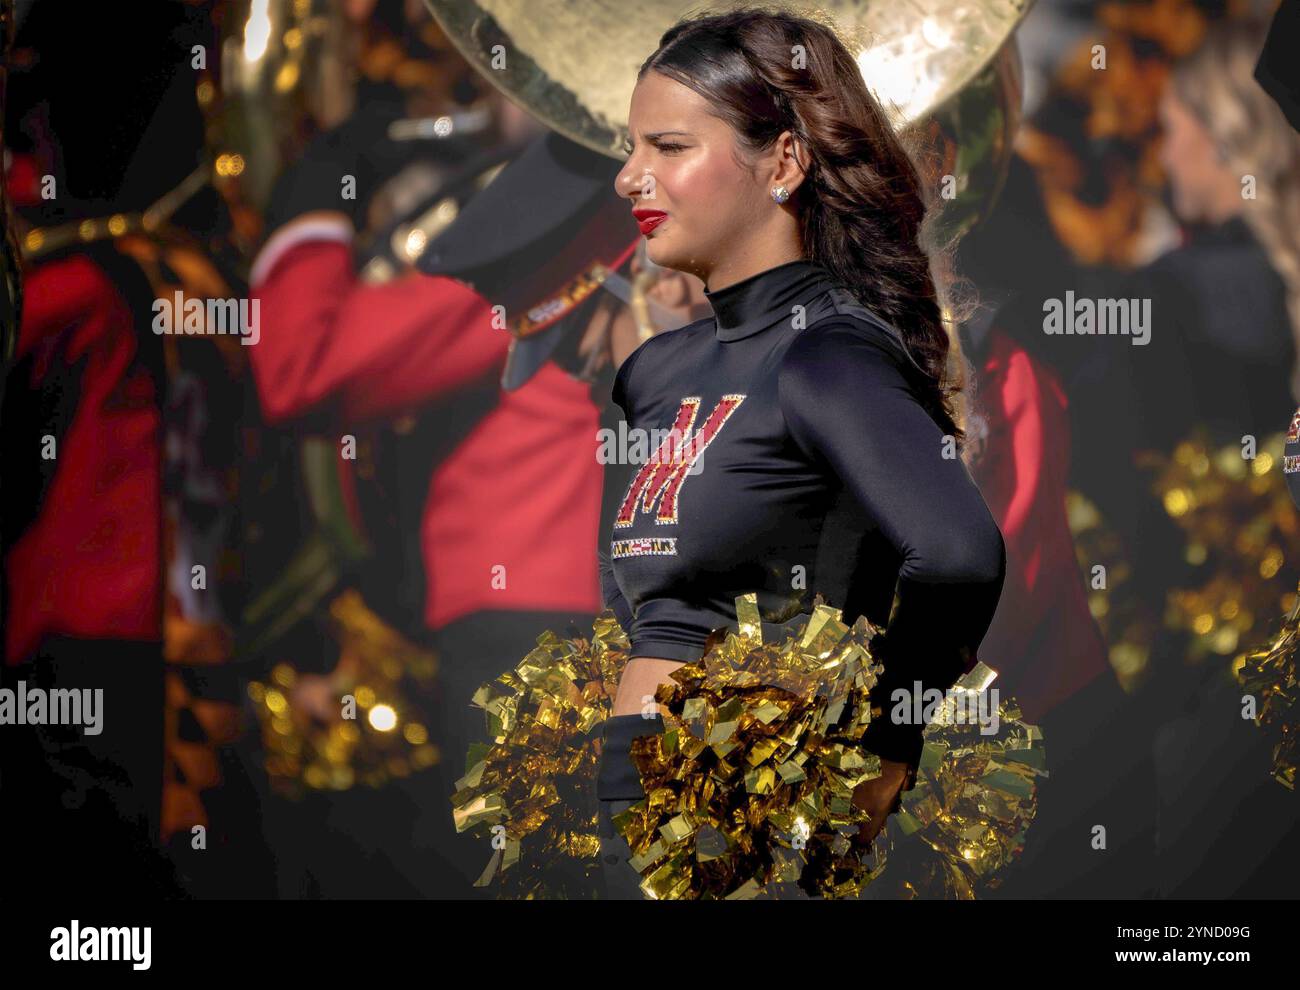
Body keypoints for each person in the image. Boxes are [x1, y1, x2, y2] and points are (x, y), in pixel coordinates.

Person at [591, 7, 1007, 898]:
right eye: (633, 148)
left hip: (755, 826)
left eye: (668, 146)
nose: (632, 176)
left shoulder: (828, 354)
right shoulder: (651, 374)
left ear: (782, 161)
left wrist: (890, 742)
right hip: (625, 797)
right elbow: (632, 589)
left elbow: (960, 558)